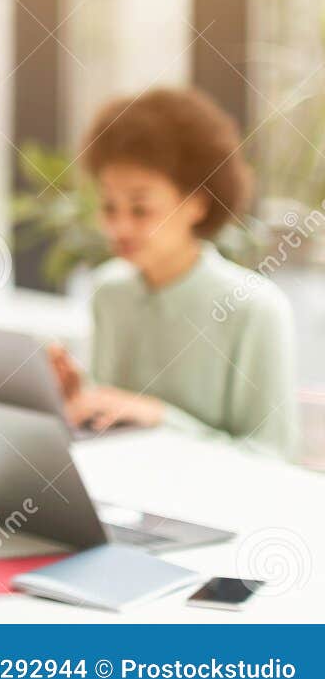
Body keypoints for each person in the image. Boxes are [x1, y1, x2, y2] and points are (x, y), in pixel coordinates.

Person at [48, 87, 298, 458]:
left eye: (140, 209)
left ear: (197, 205)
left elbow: (273, 455)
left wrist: (159, 417)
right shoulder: (109, 291)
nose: (119, 227)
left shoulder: (255, 309)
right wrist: (77, 401)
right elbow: (112, 432)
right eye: (109, 206)